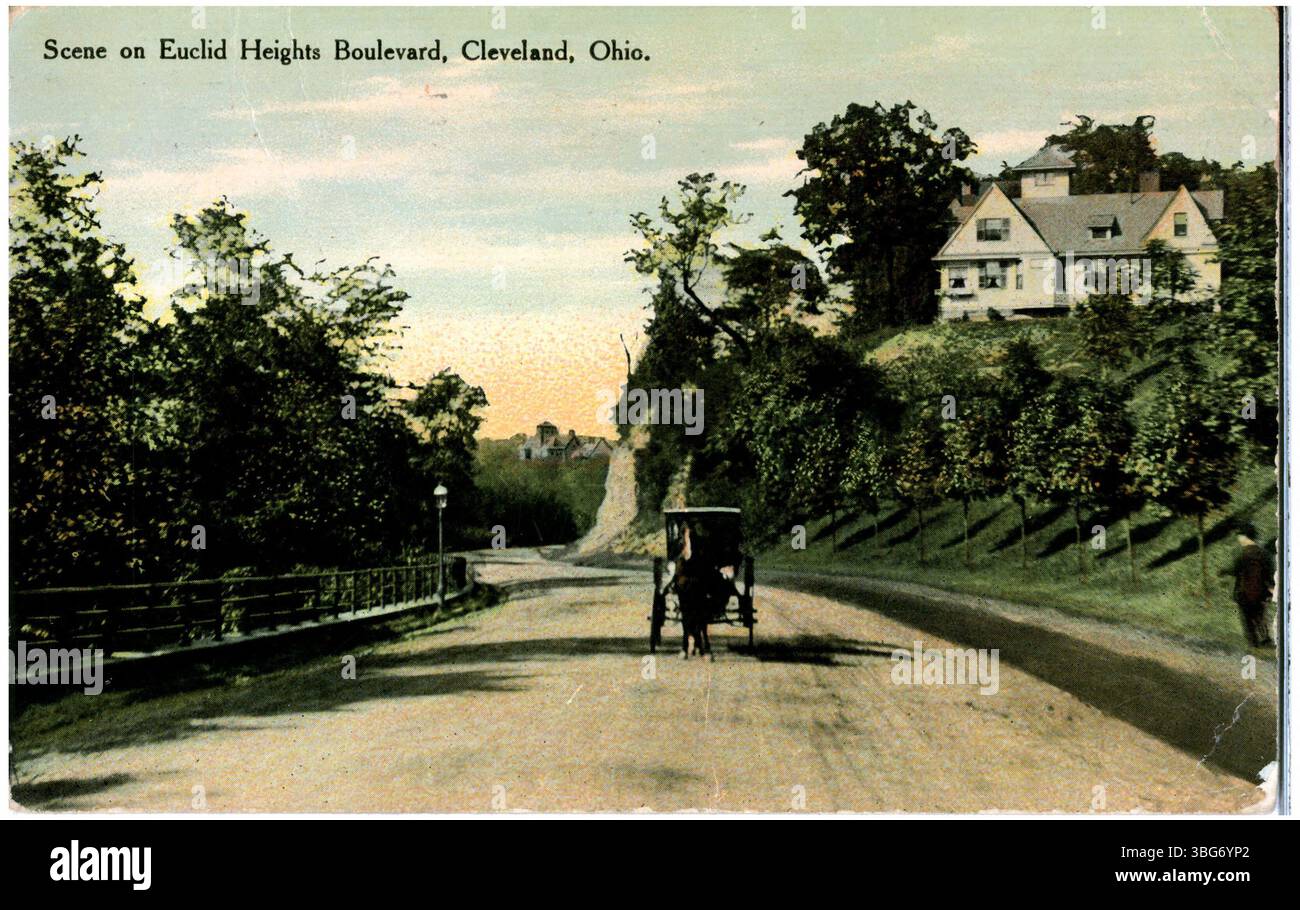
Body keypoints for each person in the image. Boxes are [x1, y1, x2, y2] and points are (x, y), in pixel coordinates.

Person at [1230, 523, 1274, 647]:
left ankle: (1254, 646)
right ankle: (1266, 641)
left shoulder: (1243, 555)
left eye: (1239, 536)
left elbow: (1236, 571)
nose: (1239, 539)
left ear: (1244, 537)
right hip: (1261, 593)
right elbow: (1269, 574)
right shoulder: (1265, 555)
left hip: (1244, 593)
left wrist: (1225, 572)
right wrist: (1271, 589)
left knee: (1248, 622)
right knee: (1261, 617)